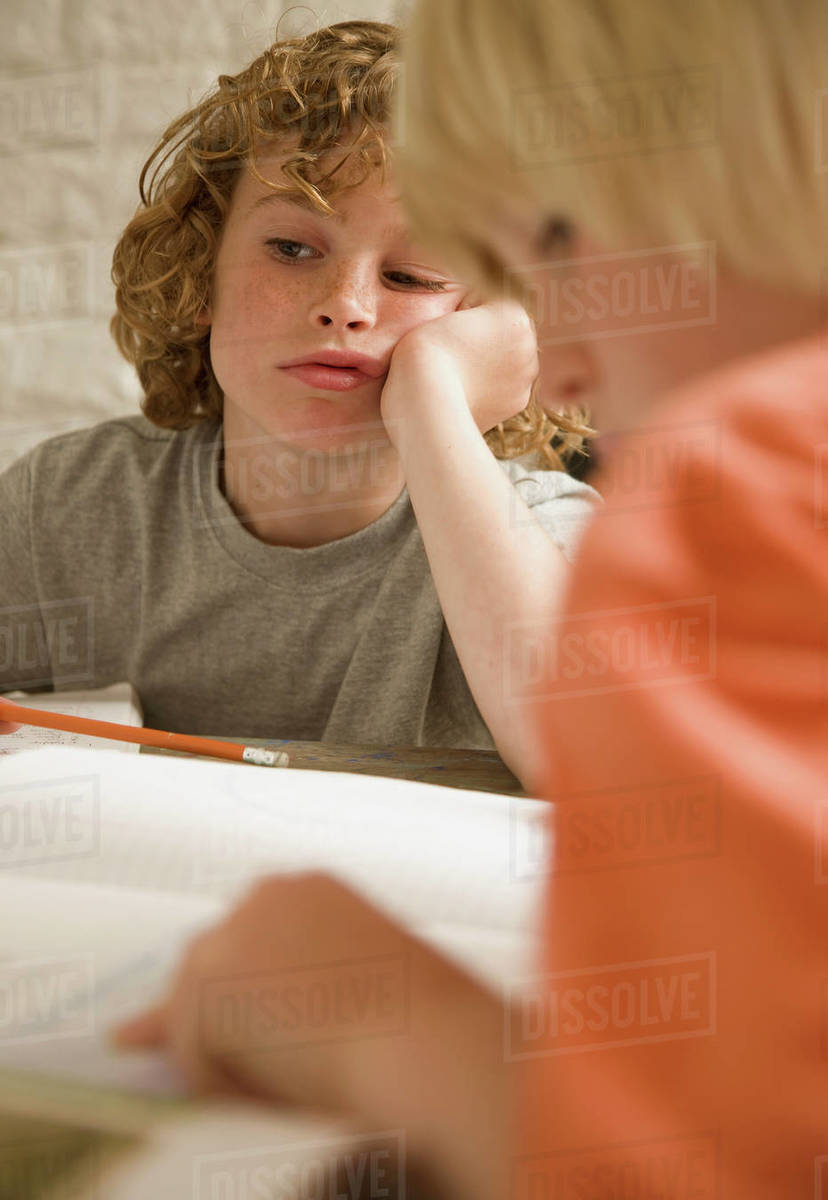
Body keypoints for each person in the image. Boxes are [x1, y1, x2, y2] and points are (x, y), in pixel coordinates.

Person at [113, 1, 827, 1197]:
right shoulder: (89, 493)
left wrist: (368, 1015)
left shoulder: (733, 491)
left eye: (552, 231)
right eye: (291, 247)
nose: (564, 346)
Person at [0, 20, 598, 783]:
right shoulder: (67, 510)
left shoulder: (549, 535)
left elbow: (587, 756)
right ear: (200, 271)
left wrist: (432, 402)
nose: (344, 305)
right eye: (291, 250)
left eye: (410, 276)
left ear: (494, 327)